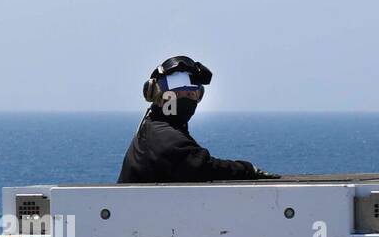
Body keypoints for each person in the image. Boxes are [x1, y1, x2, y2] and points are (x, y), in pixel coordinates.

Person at [117, 55, 279, 184]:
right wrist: (248, 169)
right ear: (159, 96)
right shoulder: (166, 137)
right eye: (177, 94)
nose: (187, 99)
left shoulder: (153, 126)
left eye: (191, 94)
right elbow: (202, 167)